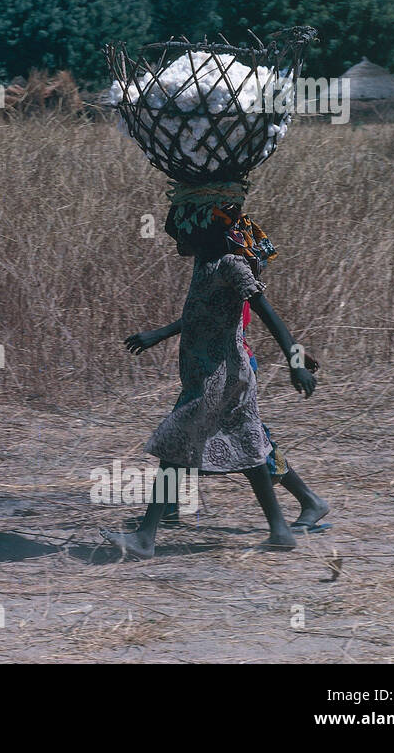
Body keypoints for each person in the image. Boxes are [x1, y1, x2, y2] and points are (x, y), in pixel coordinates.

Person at [104, 185, 316, 558]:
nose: (177, 241)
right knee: (251, 450)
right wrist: (159, 334)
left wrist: (295, 361)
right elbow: (199, 315)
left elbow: (269, 316)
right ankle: (280, 530)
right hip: (212, 374)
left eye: (183, 233)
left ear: (204, 232)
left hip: (221, 376)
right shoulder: (206, 263)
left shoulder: (230, 265)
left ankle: (145, 537)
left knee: (176, 445)